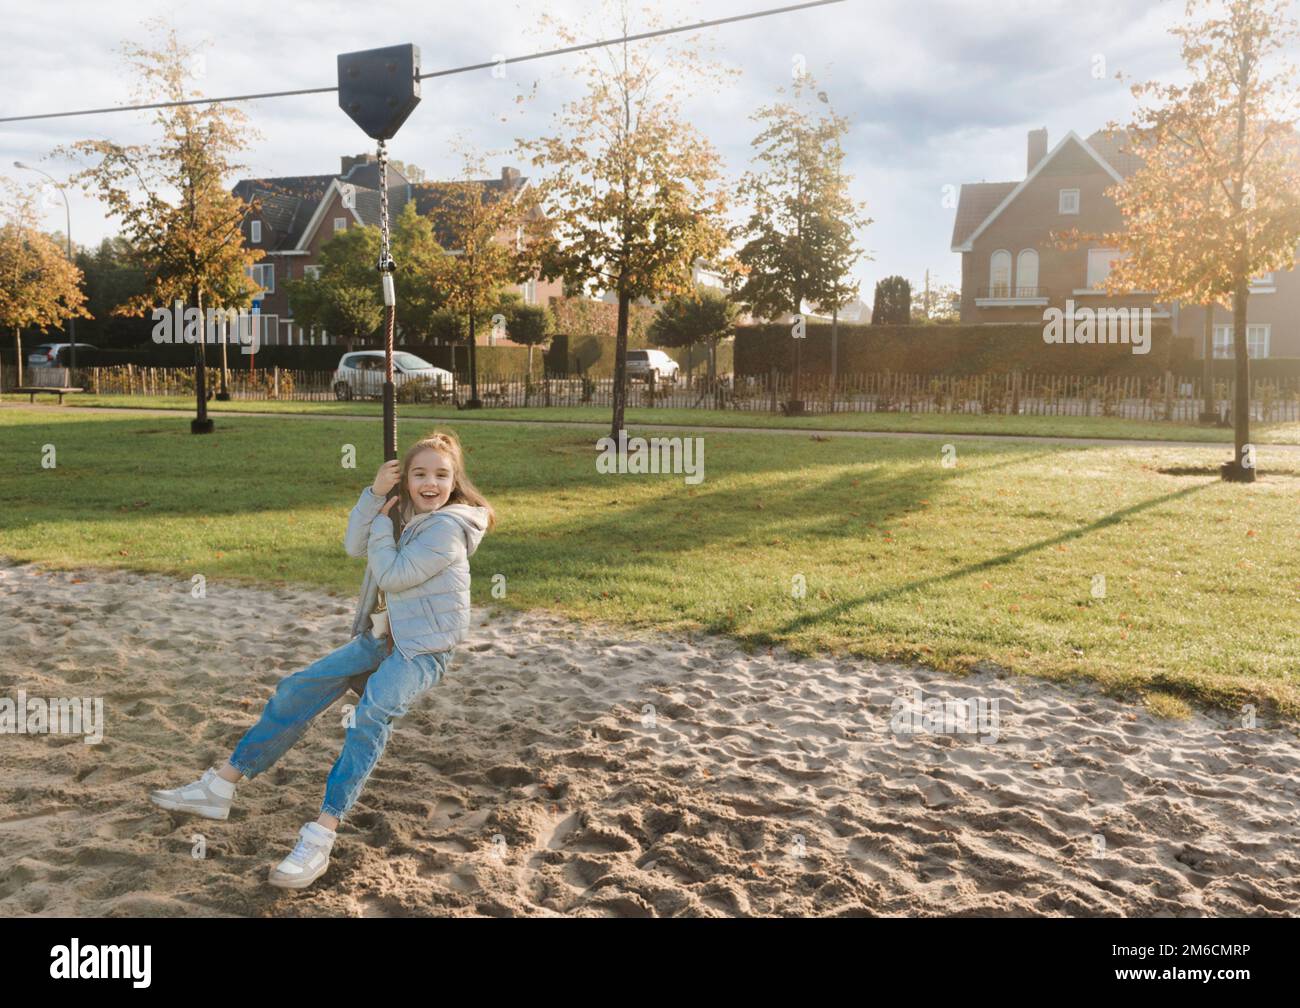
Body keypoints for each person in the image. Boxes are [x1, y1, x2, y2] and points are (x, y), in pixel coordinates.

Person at [149, 430, 495, 890]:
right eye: (419, 474)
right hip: (383, 638)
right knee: (298, 687)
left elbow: (391, 574)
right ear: (405, 479)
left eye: (441, 475)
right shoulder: (401, 511)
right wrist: (373, 495)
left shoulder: (449, 528)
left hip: (422, 651)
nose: (430, 483)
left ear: (455, 482)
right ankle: (220, 786)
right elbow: (354, 547)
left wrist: (380, 525)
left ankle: (320, 836)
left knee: (369, 717)